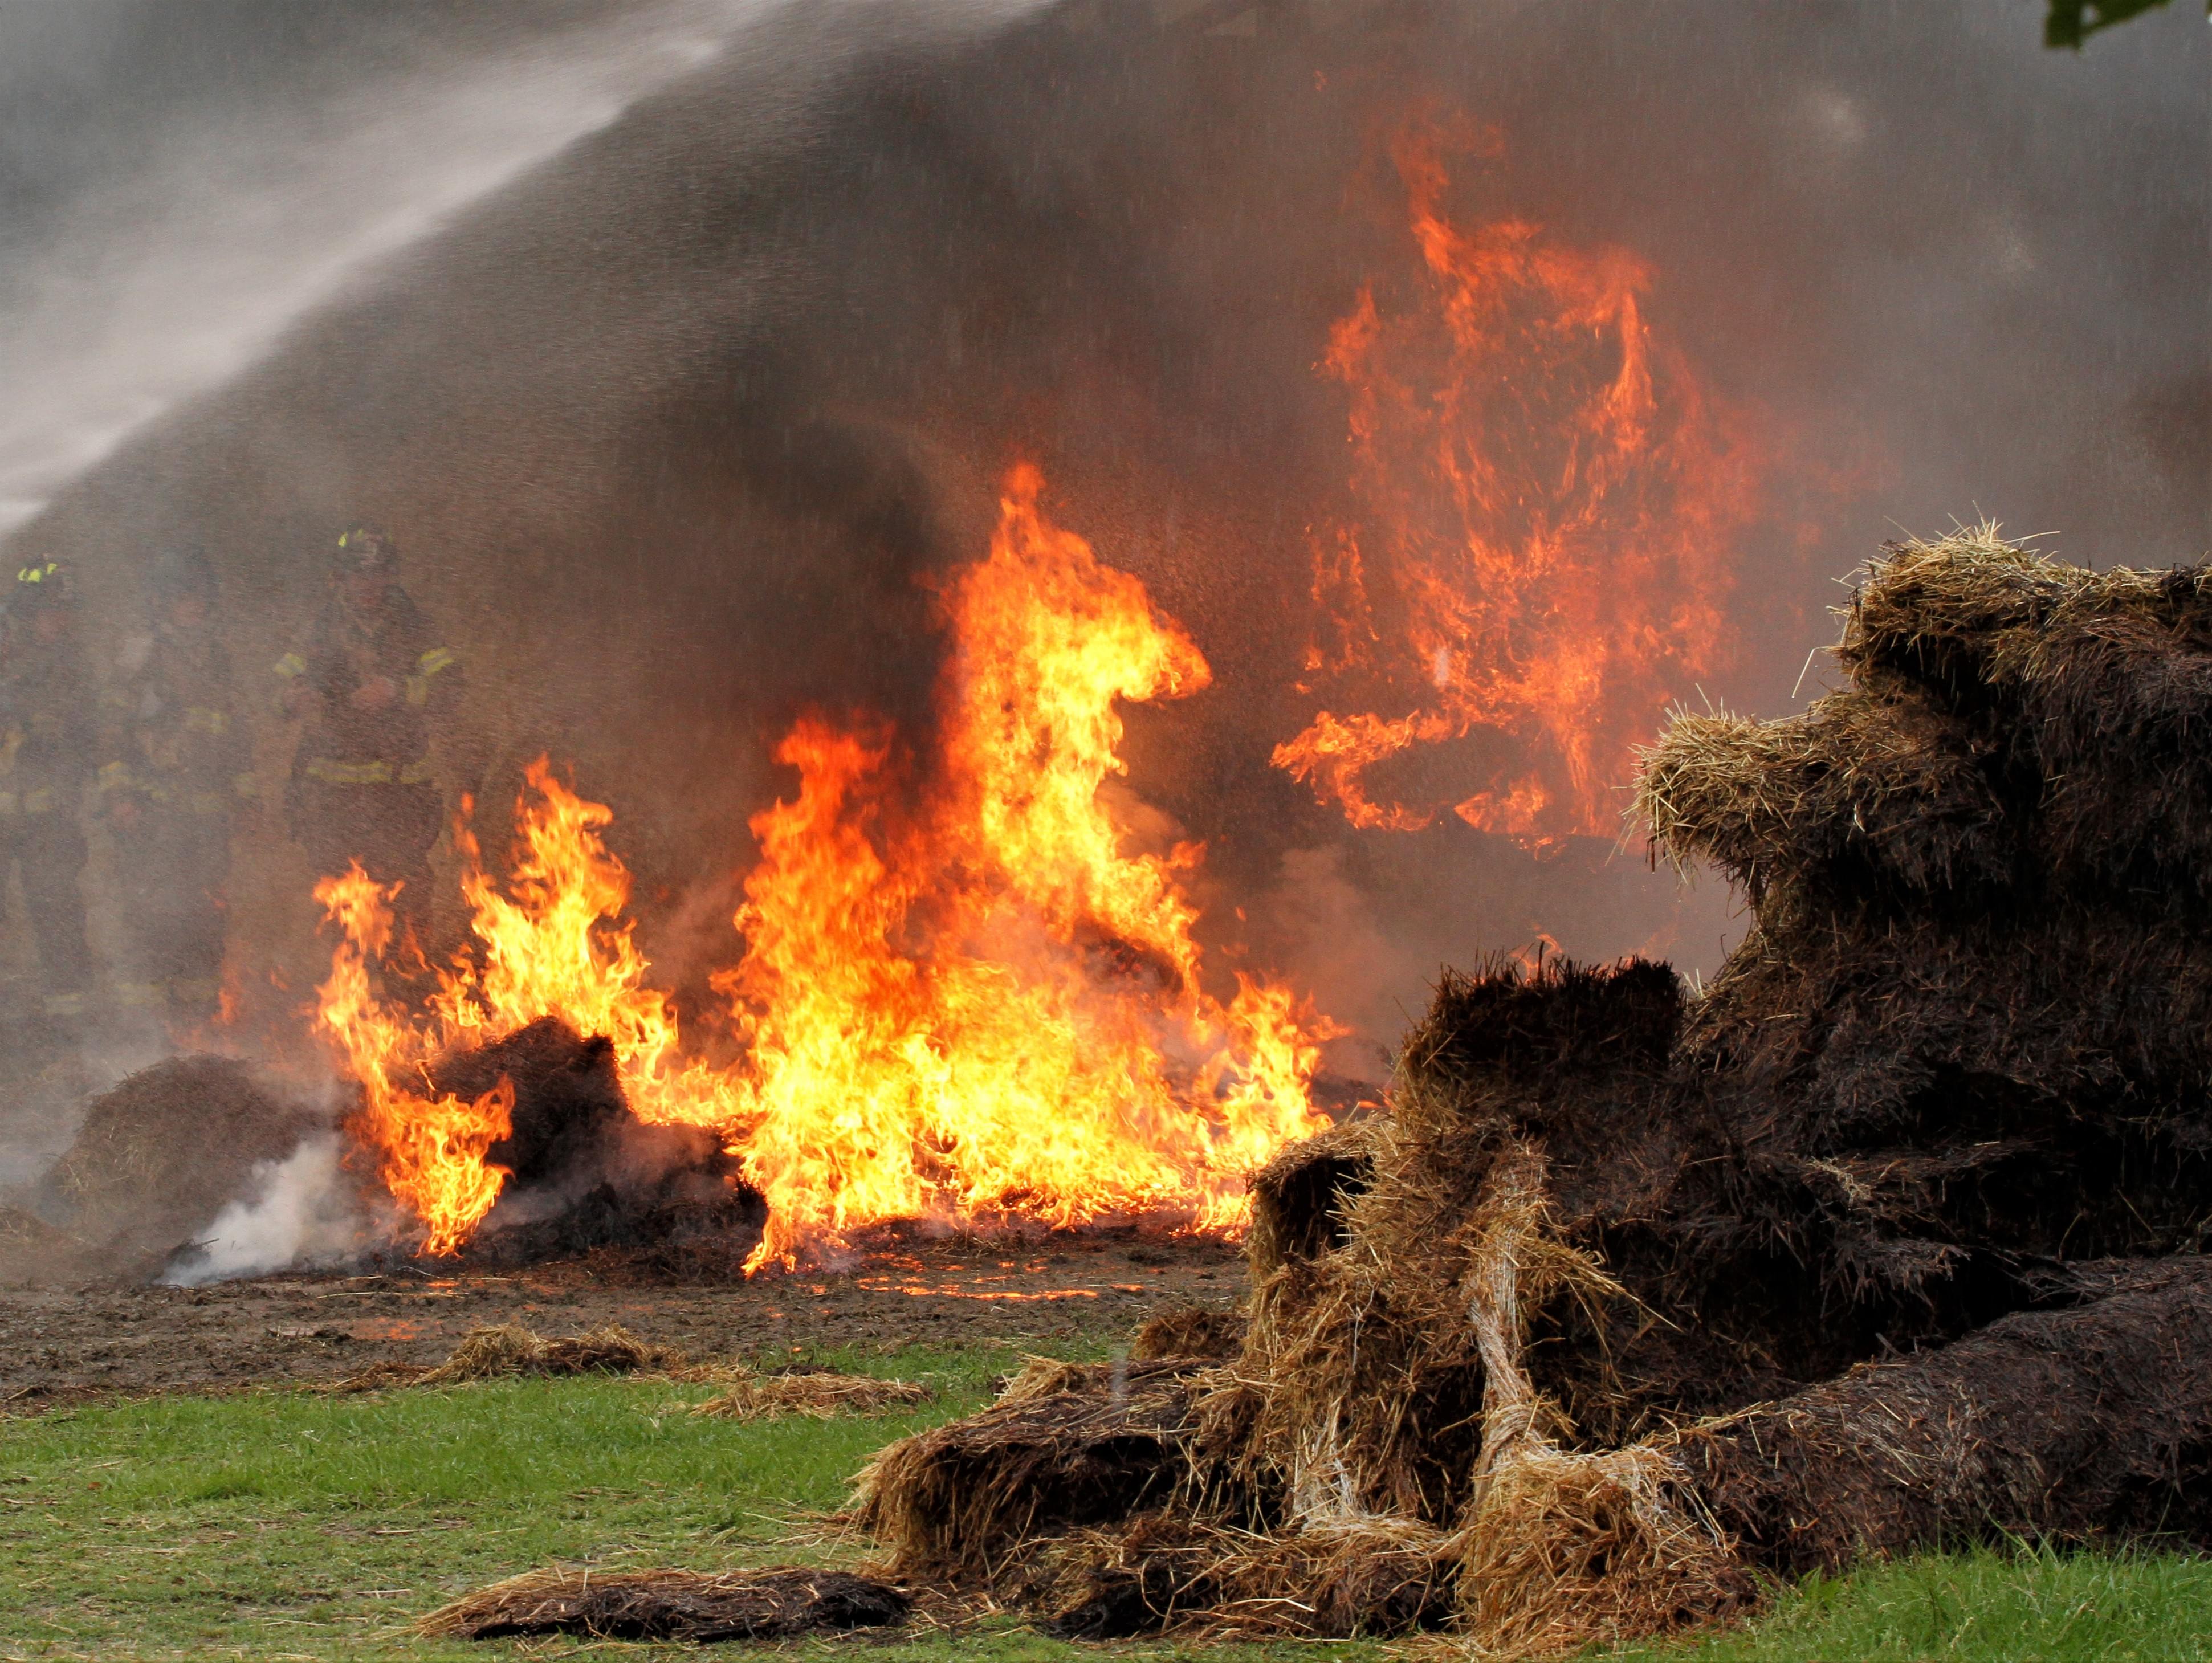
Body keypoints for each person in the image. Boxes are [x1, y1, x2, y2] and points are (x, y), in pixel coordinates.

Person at [274, 521, 466, 960]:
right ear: (339, 578)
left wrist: (399, 690)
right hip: (331, 797)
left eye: (377, 574)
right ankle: (352, 992)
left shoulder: (414, 626)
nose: (368, 585)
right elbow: (280, 683)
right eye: (357, 575)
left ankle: (408, 984)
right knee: (341, 906)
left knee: (406, 898)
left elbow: (451, 689)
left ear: (391, 575)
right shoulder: (318, 628)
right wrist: (290, 696)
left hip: (401, 795)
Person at [97, 544, 255, 1023]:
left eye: (199, 595)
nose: (194, 605)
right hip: (152, 816)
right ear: (161, 602)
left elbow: (236, 735)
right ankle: (145, 1029)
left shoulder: (217, 657)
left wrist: (247, 798)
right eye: (183, 596)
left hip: (206, 819)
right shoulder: (141, 655)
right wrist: (121, 797)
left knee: (203, 917)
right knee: (152, 917)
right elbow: (112, 732)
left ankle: (199, 1022)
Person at [0, 560, 97, 1026]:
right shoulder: (8, 657)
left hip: (49, 820)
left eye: (67, 612)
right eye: (53, 611)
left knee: (59, 915)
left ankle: (70, 1024)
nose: (62, 621)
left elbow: (87, 733)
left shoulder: (70, 665)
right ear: (28, 613)